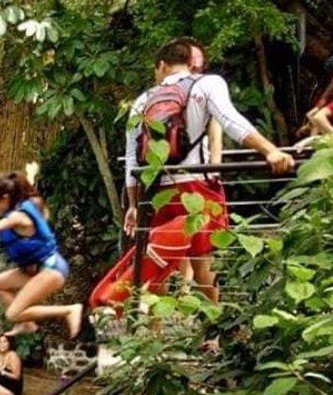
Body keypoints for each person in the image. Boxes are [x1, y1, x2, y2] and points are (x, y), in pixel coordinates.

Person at [123, 39, 295, 302]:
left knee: (158, 263)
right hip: (197, 187)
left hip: (155, 191)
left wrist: (134, 206)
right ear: (189, 63)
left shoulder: (142, 100)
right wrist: (269, 150)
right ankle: (213, 333)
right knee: (203, 262)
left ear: (161, 65)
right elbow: (230, 120)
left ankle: (152, 333)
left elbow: (132, 160)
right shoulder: (206, 84)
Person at [0, 172, 87, 340]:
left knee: (12, 314)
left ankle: (70, 310)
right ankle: (27, 323)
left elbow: (5, 224)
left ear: (5, 198)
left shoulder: (18, 216)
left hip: (51, 269)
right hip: (36, 270)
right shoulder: (24, 206)